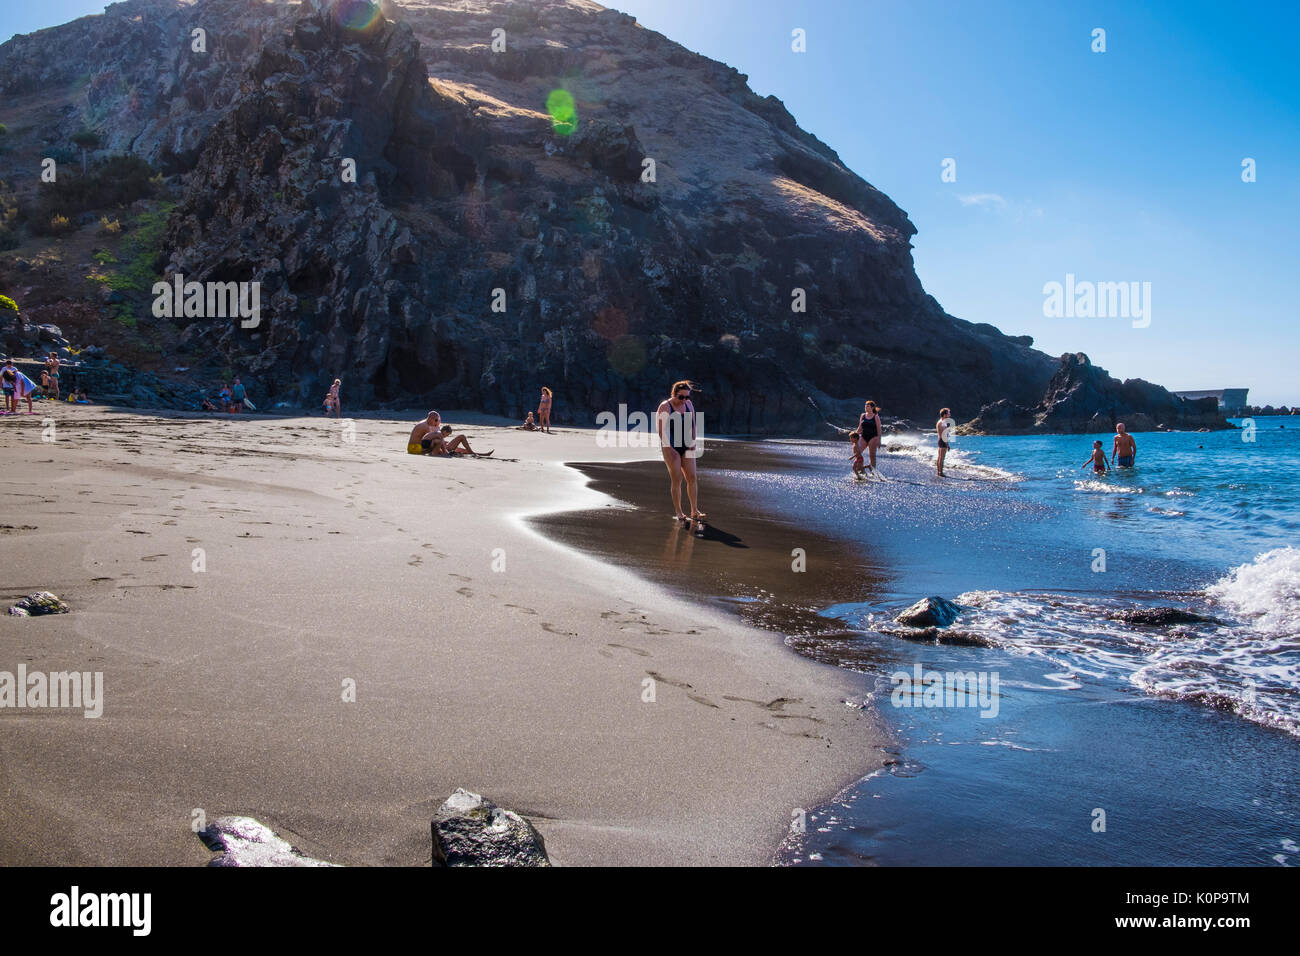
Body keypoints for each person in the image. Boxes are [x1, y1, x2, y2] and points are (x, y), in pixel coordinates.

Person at [655, 380, 704, 523]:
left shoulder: (688, 405)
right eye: (681, 397)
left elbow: (693, 425)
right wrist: (670, 448)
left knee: (692, 477)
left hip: (687, 444)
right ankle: (679, 512)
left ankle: (695, 510)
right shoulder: (665, 406)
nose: (684, 400)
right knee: (677, 479)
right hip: (670, 446)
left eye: (687, 397)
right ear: (674, 394)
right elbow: (661, 431)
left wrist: (693, 443)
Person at [858, 400, 883, 473]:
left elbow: (879, 429)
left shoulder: (875, 417)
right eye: (865, 405)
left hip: (873, 437)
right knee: (858, 453)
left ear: (872, 408)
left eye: (868, 406)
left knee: (872, 456)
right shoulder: (863, 415)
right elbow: (859, 428)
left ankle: (873, 472)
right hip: (863, 436)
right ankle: (861, 470)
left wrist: (879, 440)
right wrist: (854, 434)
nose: (866, 407)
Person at [935, 407, 956, 477]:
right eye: (948, 413)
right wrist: (947, 445)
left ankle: (939, 472)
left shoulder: (939, 421)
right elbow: (944, 436)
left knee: (939, 457)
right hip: (942, 441)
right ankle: (941, 472)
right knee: (942, 458)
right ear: (944, 415)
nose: (950, 414)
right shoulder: (942, 423)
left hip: (939, 440)